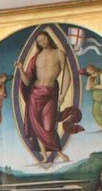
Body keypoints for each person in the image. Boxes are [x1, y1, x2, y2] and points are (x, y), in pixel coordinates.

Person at [19, 29, 69, 165]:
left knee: (48, 126)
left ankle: (58, 151)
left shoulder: (59, 53)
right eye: (39, 41)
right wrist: (21, 69)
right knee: (37, 126)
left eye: (44, 39)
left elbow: (67, 76)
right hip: (34, 94)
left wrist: (63, 94)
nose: (42, 42)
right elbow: (27, 82)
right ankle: (45, 157)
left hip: (50, 93)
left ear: (49, 38)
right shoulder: (35, 58)